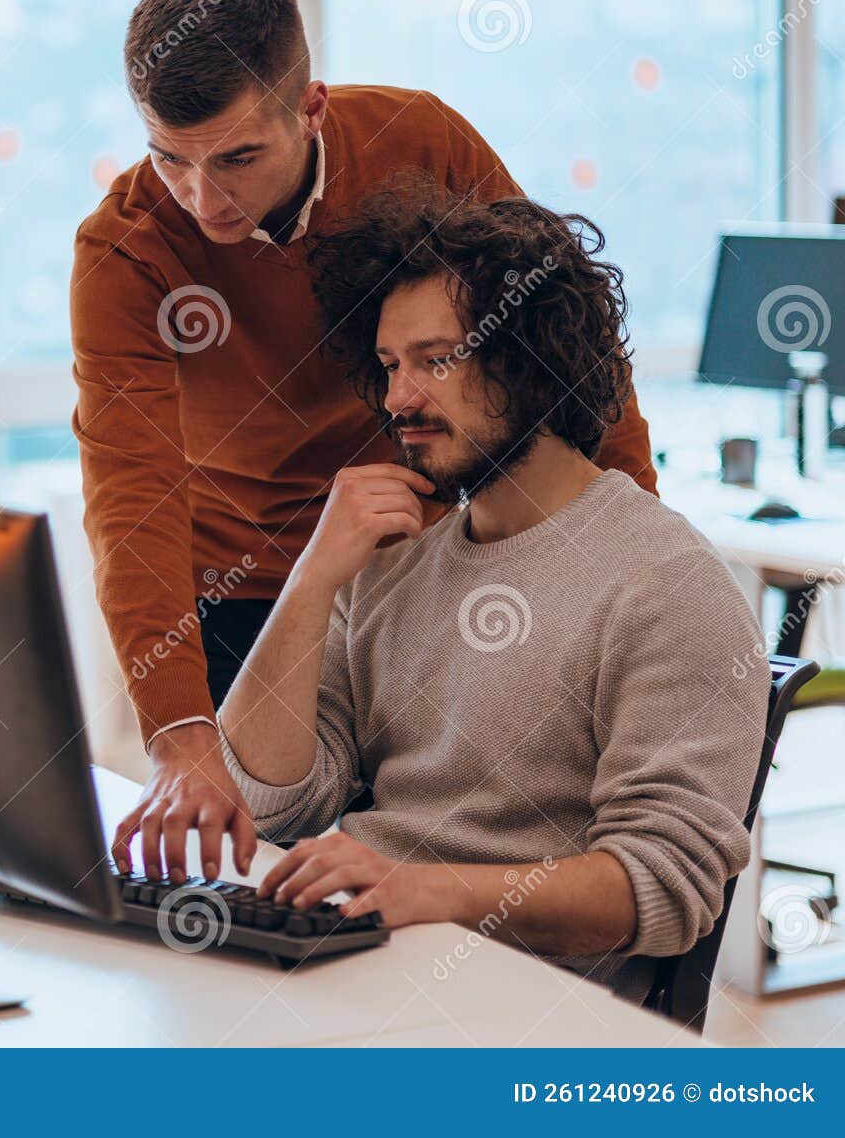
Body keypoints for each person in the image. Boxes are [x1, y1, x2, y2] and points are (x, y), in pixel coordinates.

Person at [76, 0, 658, 882]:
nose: (201, 199)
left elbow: (563, 341)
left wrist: (639, 548)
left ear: (307, 108)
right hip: (246, 594)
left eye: (235, 159)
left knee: (416, 857)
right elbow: (130, 499)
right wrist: (181, 739)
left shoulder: (417, 139)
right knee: (268, 887)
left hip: (420, 569)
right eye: (168, 158)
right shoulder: (125, 252)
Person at [205, 179, 765, 1002]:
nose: (399, 398)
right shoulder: (389, 561)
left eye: (437, 361)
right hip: (365, 967)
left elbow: (663, 888)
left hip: (514, 1010)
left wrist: (423, 888)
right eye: (392, 366)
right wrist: (314, 575)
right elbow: (269, 800)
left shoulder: (667, 582)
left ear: (533, 362)